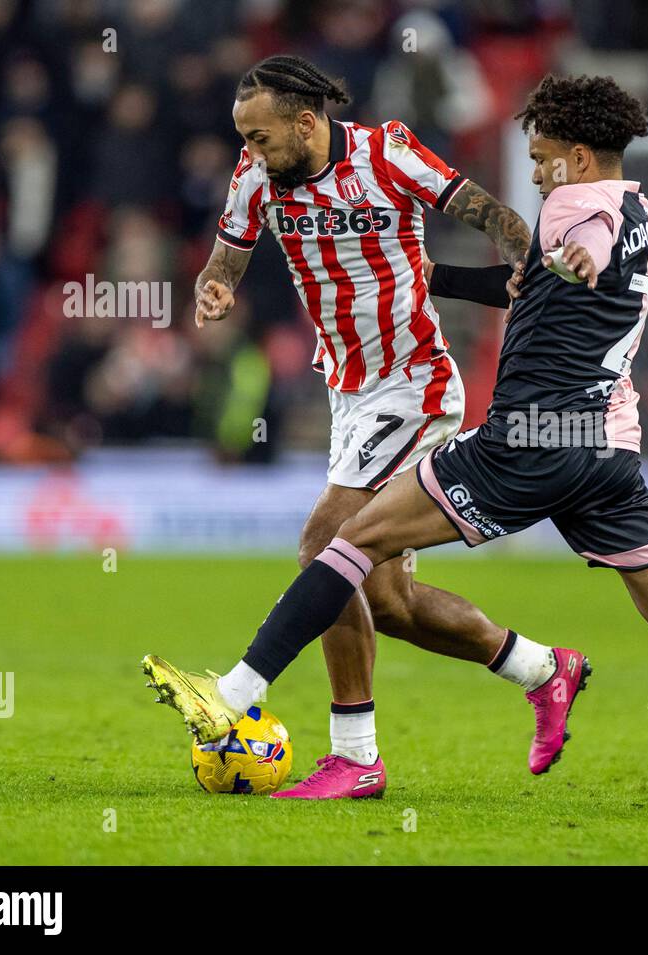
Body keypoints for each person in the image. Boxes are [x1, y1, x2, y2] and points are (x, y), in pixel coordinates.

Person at [147, 74, 648, 821]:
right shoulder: (638, 210)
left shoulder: (572, 209)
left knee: (345, 543)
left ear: (577, 158)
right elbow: (540, 274)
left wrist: (569, 253)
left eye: (540, 158)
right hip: (610, 453)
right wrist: (464, 272)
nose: (535, 173)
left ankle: (240, 694)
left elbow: (570, 243)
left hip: (527, 442)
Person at [177, 54, 587, 799]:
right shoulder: (253, 177)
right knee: (386, 601)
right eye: (245, 139)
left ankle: (325, 738)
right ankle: (541, 667)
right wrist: (214, 288)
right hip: (348, 394)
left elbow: (488, 213)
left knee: (325, 548)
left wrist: (524, 258)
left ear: (307, 123)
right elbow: (226, 259)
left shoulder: (386, 150)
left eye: (263, 137)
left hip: (415, 383)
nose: (252, 152)